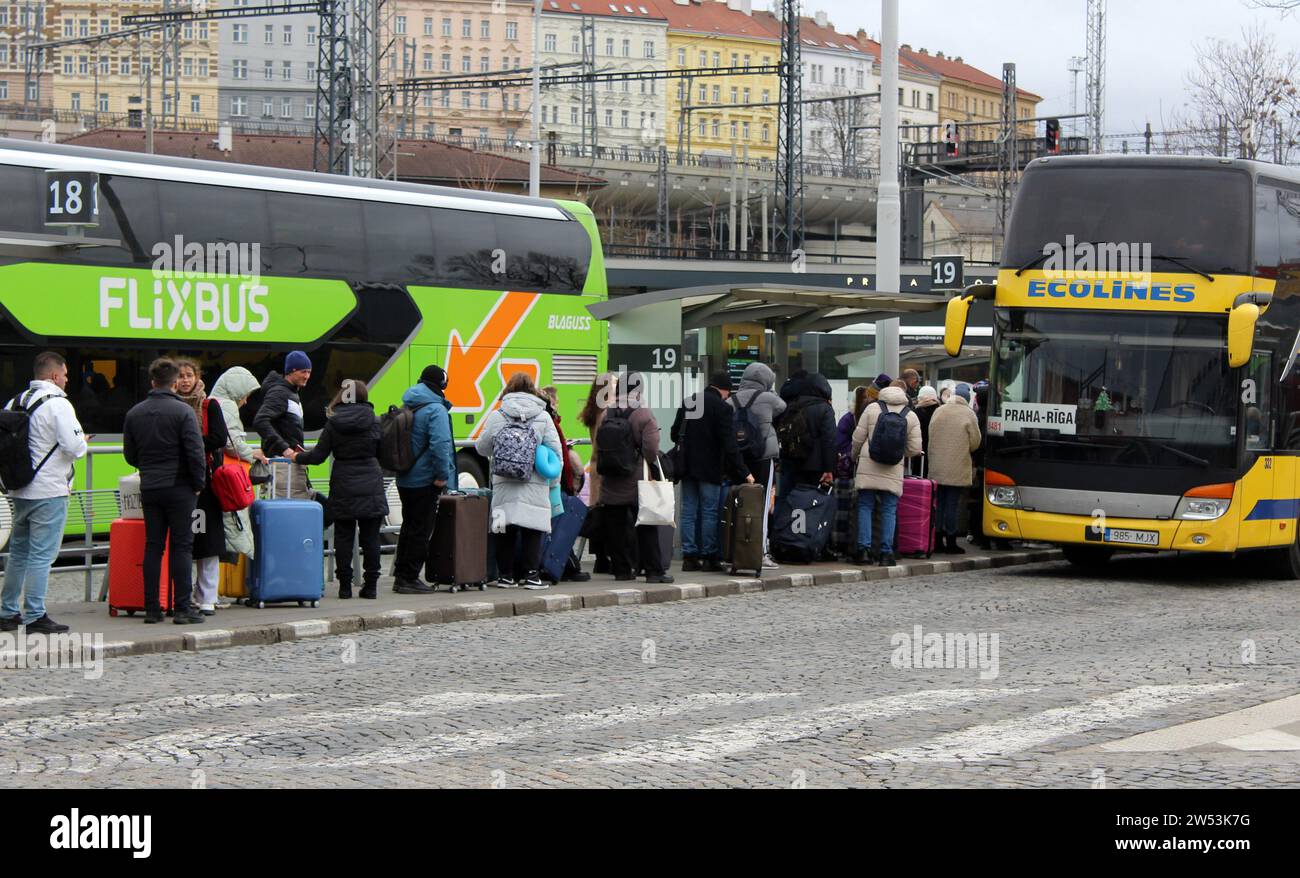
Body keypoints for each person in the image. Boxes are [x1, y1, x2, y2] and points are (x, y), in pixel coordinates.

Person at [0, 352, 88, 634]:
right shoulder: (58, 405)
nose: (66, 379)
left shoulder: (15, 401)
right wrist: (82, 441)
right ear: (53, 375)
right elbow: (74, 448)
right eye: (64, 374)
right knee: (41, 555)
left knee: (19, 553)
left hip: (20, 488)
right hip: (49, 489)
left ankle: (7, 611)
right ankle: (35, 615)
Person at [123, 357, 208, 624]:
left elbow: (130, 455)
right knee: (182, 547)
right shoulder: (182, 412)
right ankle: (182, 609)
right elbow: (196, 452)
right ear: (173, 383)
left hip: (150, 487)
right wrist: (198, 484)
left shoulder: (134, 413)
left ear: (152, 382)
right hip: (180, 487)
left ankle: (152, 609)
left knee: (153, 547)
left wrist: (148, 468)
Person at [286, 380, 386, 599]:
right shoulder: (375, 421)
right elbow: (384, 454)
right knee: (371, 538)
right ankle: (371, 587)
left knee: (343, 536)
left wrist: (297, 456)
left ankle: (345, 587)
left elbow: (319, 456)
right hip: (371, 482)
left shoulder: (334, 423)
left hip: (344, 483)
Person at [476, 372, 562, 589]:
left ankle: (505, 575)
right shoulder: (543, 417)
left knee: (503, 527)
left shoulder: (498, 415)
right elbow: (555, 453)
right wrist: (554, 484)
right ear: (532, 390)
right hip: (535, 482)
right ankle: (532, 575)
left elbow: (481, 447)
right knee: (533, 528)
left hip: (503, 482)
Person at [672, 370, 753, 573]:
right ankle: (709, 556)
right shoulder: (722, 408)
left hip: (687, 467)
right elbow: (729, 444)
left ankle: (689, 556)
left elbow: (675, 433)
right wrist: (745, 472)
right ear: (725, 390)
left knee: (688, 511)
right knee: (709, 512)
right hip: (710, 468)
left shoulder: (689, 402)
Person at [595, 371, 672, 583]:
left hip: (611, 477)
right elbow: (651, 448)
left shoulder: (606, 413)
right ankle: (653, 572)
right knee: (646, 524)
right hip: (636, 477)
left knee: (615, 527)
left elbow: (598, 445)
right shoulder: (644, 413)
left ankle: (622, 570)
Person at [392, 365, 456, 595]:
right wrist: (441, 476)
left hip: (405, 478)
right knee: (421, 530)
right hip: (424, 480)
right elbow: (441, 445)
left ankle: (400, 575)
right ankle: (409, 578)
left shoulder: (409, 402)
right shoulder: (435, 410)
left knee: (409, 527)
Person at [179, 359, 233, 616]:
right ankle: (181, 595)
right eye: (180, 376)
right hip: (180, 481)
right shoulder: (173, 405)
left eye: (189, 375)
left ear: (197, 377)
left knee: (207, 541)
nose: (185, 380)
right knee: (182, 541)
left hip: (207, 482)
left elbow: (219, 438)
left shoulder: (209, 405)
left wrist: (190, 441)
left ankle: (207, 597)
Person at [850, 380, 922, 567]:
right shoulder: (910, 415)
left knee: (865, 505)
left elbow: (858, 437)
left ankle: (864, 551)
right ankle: (886, 553)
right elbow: (915, 448)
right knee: (889, 510)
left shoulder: (872, 408)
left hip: (868, 464)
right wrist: (898, 452)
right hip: (893, 467)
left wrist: (854, 455)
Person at [209, 367, 266, 592]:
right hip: (227, 477)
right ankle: (210, 594)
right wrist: (253, 454)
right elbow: (231, 442)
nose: (245, 401)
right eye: (246, 395)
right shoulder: (227, 405)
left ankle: (209, 593)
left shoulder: (214, 401)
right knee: (229, 528)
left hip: (214, 473)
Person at [730, 362, 786, 569]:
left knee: (740, 504)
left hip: (739, 460)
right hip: (763, 456)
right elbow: (783, 407)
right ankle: (760, 551)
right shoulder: (768, 398)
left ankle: (737, 550)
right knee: (762, 505)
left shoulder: (731, 400)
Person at [927, 382, 982, 554]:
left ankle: (936, 539)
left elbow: (930, 434)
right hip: (956, 467)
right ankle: (951, 541)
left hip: (937, 466)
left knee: (939, 503)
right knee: (952, 504)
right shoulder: (969, 414)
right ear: (967, 398)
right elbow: (975, 443)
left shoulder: (939, 410)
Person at [254, 350, 313, 499]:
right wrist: (285, 449)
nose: (307, 376)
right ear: (291, 371)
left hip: (288, 466)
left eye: (309, 372)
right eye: (303, 371)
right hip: (282, 467)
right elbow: (260, 421)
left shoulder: (291, 391)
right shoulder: (280, 393)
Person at [776, 371, 837, 499]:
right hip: (816, 467)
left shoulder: (791, 406)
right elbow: (829, 440)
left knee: (789, 499)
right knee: (811, 502)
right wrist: (829, 469)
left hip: (791, 462)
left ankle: (786, 519)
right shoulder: (825, 409)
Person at [578, 372, 616, 575]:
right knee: (607, 513)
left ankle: (600, 557)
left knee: (598, 511)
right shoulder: (607, 412)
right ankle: (604, 558)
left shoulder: (593, 410)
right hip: (603, 466)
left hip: (594, 468)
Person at [911, 385, 942, 477]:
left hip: (920, 453)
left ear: (920, 397)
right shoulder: (940, 411)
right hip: (937, 454)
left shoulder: (916, 413)